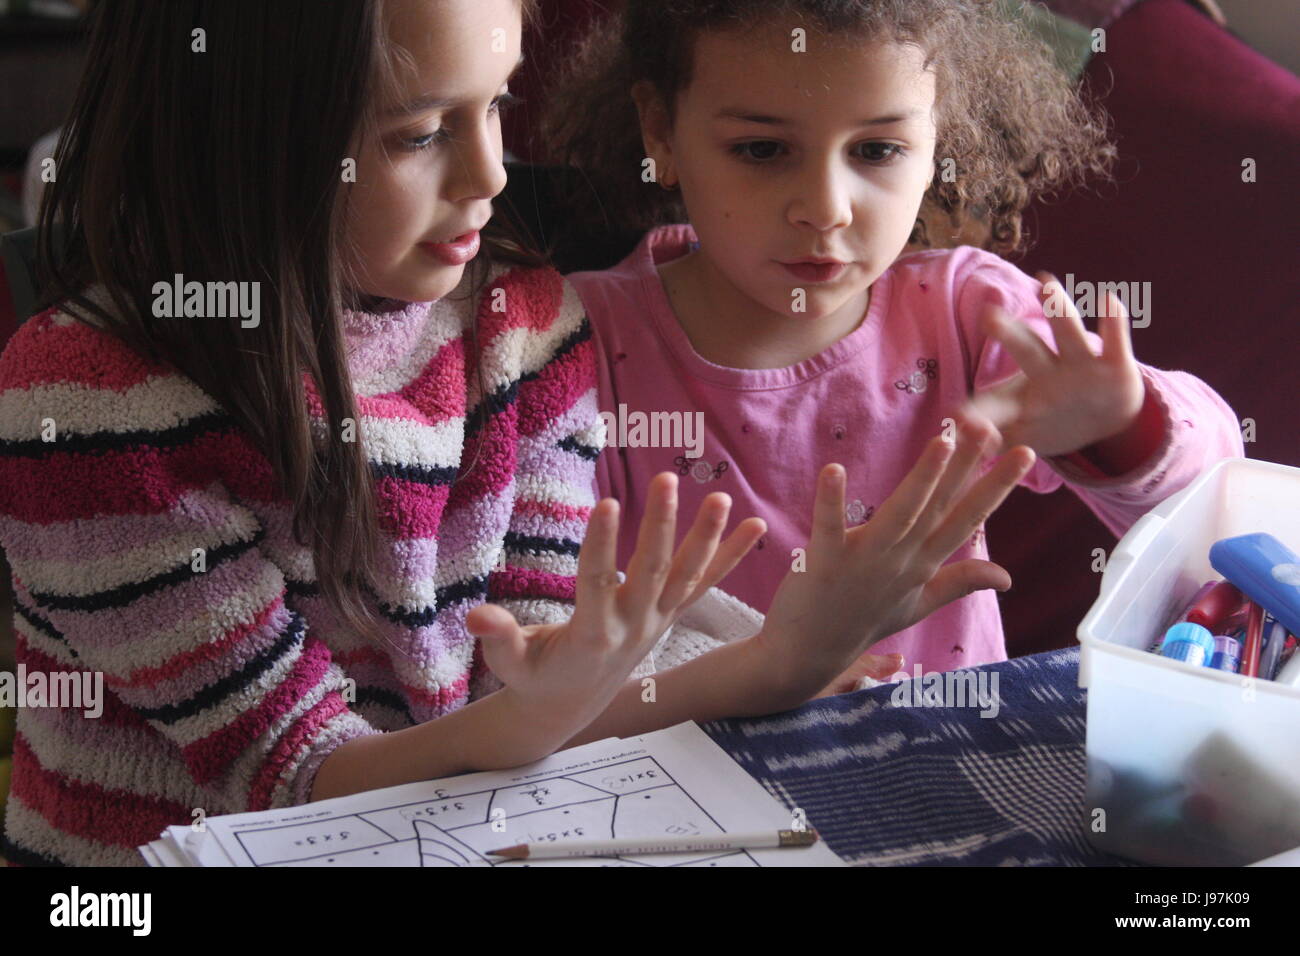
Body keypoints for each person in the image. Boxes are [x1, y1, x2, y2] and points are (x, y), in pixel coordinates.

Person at [0, 0, 1032, 866]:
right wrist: (547, 711)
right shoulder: (96, 405)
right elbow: (302, 777)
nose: (489, 174)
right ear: (232, 125)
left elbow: (531, 680)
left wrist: (787, 656)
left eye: (494, 104)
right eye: (418, 133)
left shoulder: (524, 326)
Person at [544, 0, 1245, 676]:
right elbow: (541, 635)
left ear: (938, 135)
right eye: (762, 149)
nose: (825, 208)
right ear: (660, 131)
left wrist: (1122, 430)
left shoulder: (971, 313)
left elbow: (1214, 517)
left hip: (937, 763)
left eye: (878, 149)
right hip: (674, 780)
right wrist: (767, 676)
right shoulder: (571, 341)